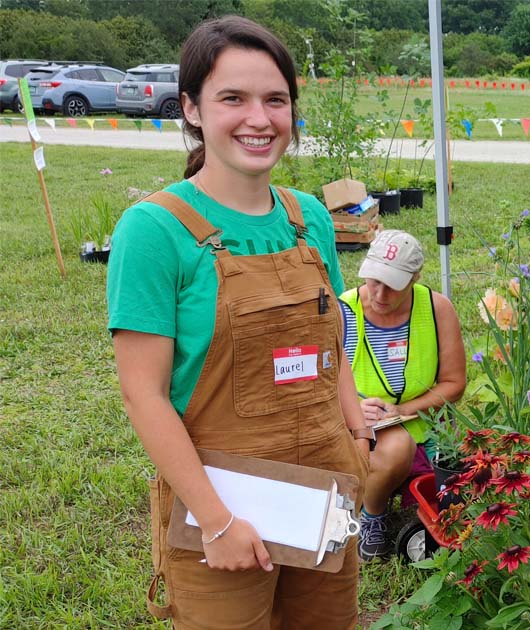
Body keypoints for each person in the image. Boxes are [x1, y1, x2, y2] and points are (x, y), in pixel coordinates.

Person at [107, 15, 372, 628]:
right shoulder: (153, 230)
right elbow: (143, 394)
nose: (260, 119)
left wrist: (358, 437)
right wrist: (217, 522)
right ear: (192, 109)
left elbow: (330, 337)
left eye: (275, 99)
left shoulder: (309, 216)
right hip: (222, 506)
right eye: (233, 98)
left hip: (326, 493)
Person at [339, 230, 467, 561]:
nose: (380, 293)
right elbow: (318, 386)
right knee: (397, 446)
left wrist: (402, 408)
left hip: (424, 426)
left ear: (414, 279)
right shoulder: (342, 311)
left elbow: (454, 383)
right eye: (373, 280)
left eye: (393, 284)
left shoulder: (436, 308)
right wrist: (352, 408)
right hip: (359, 431)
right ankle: (372, 517)